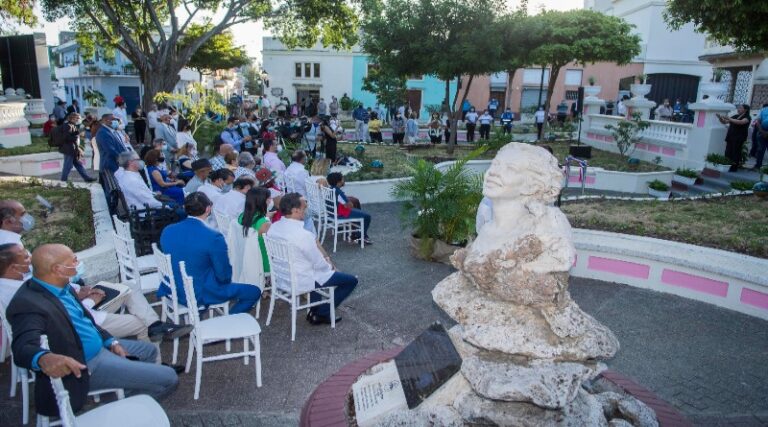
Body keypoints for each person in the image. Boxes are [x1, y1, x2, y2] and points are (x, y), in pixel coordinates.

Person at [7, 244, 179, 418]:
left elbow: (88, 319)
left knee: (148, 351)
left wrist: (111, 341)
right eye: (73, 260)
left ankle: (126, 396)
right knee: (169, 378)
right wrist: (44, 358)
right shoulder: (28, 303)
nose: (77, 263)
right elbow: (22, 346)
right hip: (85, 365)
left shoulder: (61, 286)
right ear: (58, 269)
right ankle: (120, 414)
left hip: (101, 348)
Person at [0, 243, 191, 344]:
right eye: (25, 257)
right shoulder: (20, 294)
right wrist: (91, 300)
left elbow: (62, 297)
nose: (30, 258)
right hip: (83, 321)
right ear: (13, 267)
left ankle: (156, 325)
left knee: (129, 287)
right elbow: (66, 314)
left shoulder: (21, 280)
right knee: (141, 324)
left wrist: (79, 290)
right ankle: (154, 366)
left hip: (84, 305)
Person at [159, 192, 261, 314]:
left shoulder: (168, 230)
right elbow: (223, 276)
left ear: (185, 208)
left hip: (172, 287)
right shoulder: (213, 237)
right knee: (254, 291)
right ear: (208, 209)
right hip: (197, 292)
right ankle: (230, 318)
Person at [266, 193, 358, 324]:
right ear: (295, 210)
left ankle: (314, 311)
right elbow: (318, 264)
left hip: (283, 277)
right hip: (301, 279)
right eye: (304, 207)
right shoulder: (303, 235)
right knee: (351, 280)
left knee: (316, 273)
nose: (306, 210)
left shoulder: (274, 227)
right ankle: (322, 313)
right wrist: (331, 267)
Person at [326, 172, 371, 244]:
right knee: (367, 216)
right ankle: (360, 237)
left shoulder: (330, 189)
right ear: (338, 182)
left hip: (332, 213)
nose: (344, 181)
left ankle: (355, 233)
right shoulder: (338, 192)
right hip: (340, 214)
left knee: (358, 213)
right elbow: (350, 205)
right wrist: (347, 201)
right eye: (343, 179)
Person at [239, 188, 273, 276]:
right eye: (269, 198)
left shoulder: (241, 217)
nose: (270, 201)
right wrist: (267, 219)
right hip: (264, 263)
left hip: (247, 258)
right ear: (262, 201)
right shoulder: (264, 223)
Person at [58, 112, 96, 182]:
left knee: (78, 164)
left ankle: (86, 178)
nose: (79, 119)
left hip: (73, 148)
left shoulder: (73, 125)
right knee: (68, 166)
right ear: (72, 118)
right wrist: (76, 136)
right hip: (69, 149)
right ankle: (63, 180)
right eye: (77, 118)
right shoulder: (67, 126)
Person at [717, 104, 751, 172]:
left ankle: (733, 168)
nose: (738, 109)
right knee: (728, 151)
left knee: (735, 152)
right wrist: (720, 118)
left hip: (739, 137)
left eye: (740, 108)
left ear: (745, 110)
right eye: (738, 108)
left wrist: (729, 118)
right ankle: (726, 165)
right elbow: (725, 122)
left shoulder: (747, 117)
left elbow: (740, 122)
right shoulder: (736, 116)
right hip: (731, 136)